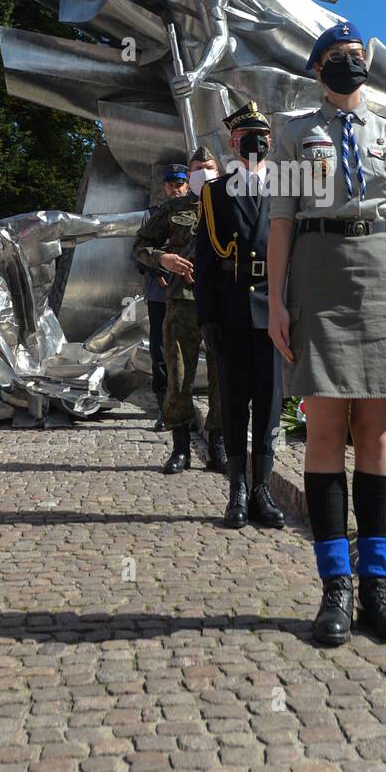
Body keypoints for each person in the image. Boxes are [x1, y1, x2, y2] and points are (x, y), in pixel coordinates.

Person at [266, 19, 386, 647]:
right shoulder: (292, 134)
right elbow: (281, 221)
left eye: (356, 55)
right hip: (318, 273)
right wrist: (277, 302)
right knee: (326, 426)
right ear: (318, 69)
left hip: (384, 270)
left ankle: (378, 588)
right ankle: (334, 588)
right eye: (336, 56)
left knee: (377, 426)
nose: (348, 63)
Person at [194, 101, 286, 530]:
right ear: (232, 142)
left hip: (274, 309)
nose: (257, 142)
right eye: (248, 136)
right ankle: (237, 493)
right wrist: (206, 317)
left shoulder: (287, 188)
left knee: (269, 404)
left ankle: (263, 491)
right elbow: (205, 259)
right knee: (234, 403)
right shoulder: (213, 193)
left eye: (263, 136)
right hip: (231, 308)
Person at [133, 147, 226, 473]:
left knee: (222, 378)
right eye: (197, 167)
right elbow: (140, 246)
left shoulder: (232, 203)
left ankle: (218, 447)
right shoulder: (173, 208)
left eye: (209, 166)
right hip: (181, 301)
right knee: (178, 376)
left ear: (219, 169)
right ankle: (181, 448)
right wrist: (164, 259)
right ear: (189, 174)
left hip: (222, 302)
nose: (203, 171)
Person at [138, 164, 190, 430]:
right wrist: (157, 270)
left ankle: (187, 405)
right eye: (170, 184)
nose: (175, 188)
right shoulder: (153, 215)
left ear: (187, 184)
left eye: (179, 183)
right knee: (160, 349)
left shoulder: (201, 211)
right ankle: (164, 408)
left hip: (191, 291)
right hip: (160, 292)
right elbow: (139, 251)